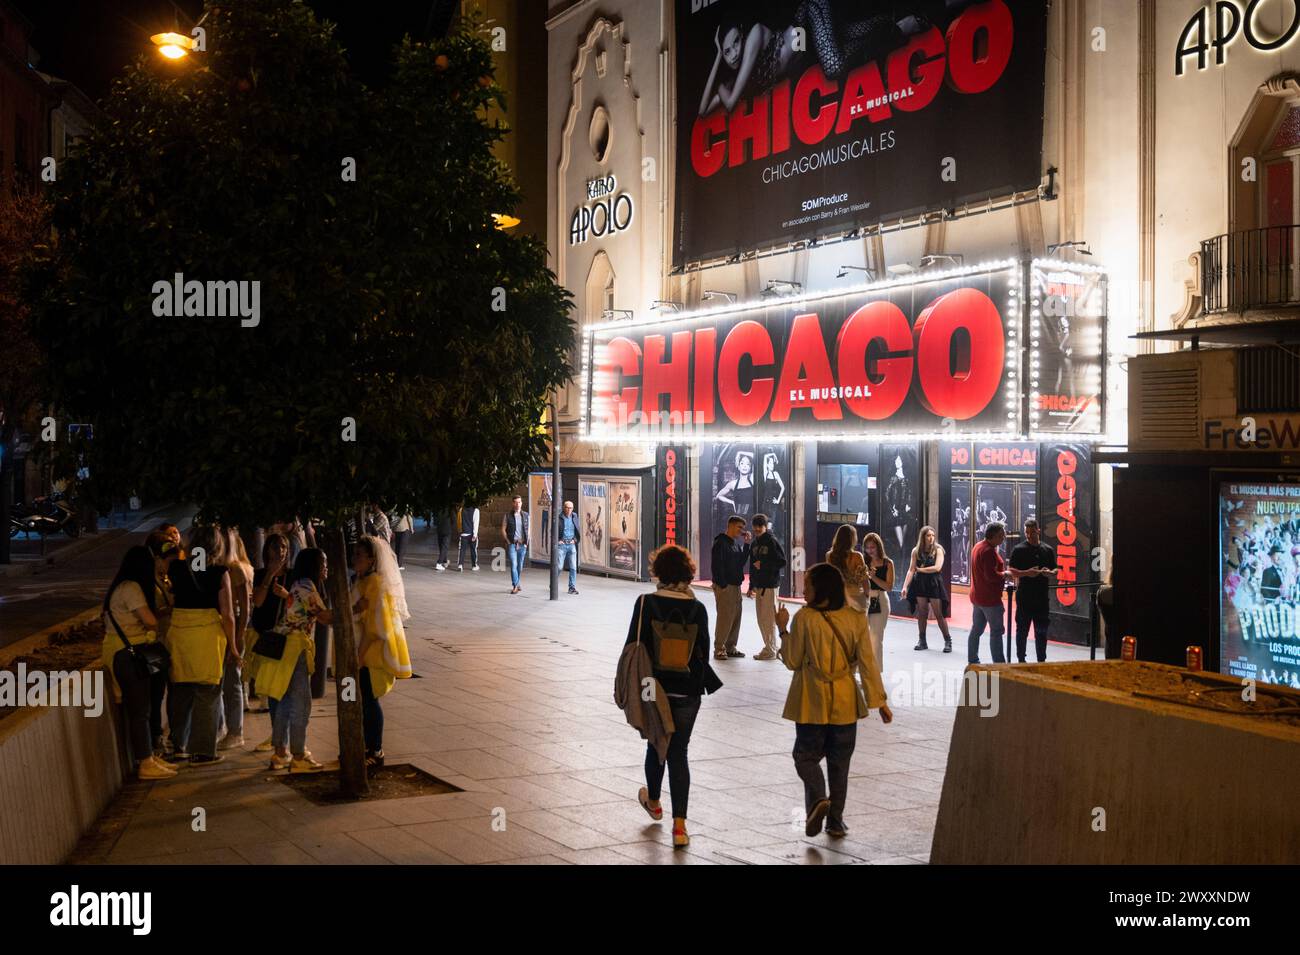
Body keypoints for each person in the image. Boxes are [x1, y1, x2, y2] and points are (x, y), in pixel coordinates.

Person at [777, 562, 891, 839]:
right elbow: (868, 662)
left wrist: (782, 629)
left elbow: (792, 661)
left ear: (820, 588)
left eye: (808, 585)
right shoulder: (855, 618)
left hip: (810, 700)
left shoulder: (804, 618)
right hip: (845, 700)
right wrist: (879, 702)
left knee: (804, 757)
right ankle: (836, 822)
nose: (804, 590)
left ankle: (817, 799)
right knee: (840, 766)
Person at [625, 544, 723, 849]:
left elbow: (633, 645)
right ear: (688, 573)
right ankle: (679, 828)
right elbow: (703, 653)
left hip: (655, 688)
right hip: (687, 690)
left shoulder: (645, 604)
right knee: (679, 753)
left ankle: (654, 802)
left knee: (657, 745)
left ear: (659, 572)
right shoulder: (698, 609)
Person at [260, 548, 349, 772]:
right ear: (314, 565)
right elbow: (325, 617)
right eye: (324, 563)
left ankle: (280, 753)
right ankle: (299, 756)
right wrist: (352, 609)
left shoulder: (299, 582)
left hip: (286, 648)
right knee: (301, 704)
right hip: (295, 650)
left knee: (285, 702)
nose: (326, 567)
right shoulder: (307, 586)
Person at [101, 546, 176, 780]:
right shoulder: (131, 588)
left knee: (140, 709)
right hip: (128, 655)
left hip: (124, 651)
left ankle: (149, 758)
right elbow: (150, 620)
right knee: (140, 711)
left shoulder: (121, 586)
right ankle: (145, 762)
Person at [165, 524, 236, 765]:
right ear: (217, 545)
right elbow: (227, 614)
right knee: (207, 692)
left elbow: (173, 598)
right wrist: (234, 646)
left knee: (180, 691)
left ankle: (179, 747)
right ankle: (203, 751)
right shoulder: (219, 572)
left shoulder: (176, 568)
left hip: (180, 633)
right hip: (207, 635)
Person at [351, 536, 413, 768]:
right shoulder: (359, 581)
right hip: (358, 653)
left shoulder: (375, 584)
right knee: (354, 698)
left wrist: (358, 657)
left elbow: (375, 627)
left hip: (369, 655)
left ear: (371, 559)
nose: (354, 558)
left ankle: (375, 750)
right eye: (354, 553)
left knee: (368, 699)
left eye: (359, 554)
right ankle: (360, 746)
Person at [248, 533, 292, 749]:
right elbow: (257, 602)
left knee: (281, 690)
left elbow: (303, 605)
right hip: (266, 637)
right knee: (270, 690)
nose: (280, 552)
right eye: (275, 548)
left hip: (287, 639)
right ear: (267, 552)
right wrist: (268, 577)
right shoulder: (260, 574)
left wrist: (286, 595)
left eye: (283, 547)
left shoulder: (293, 576)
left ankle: (282, 738)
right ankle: (278, 736)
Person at [216, 526, 253, 750]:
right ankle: (223, 727)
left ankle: (235, 730)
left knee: (232, 681)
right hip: (223, 628)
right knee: (221, 681)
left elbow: (244, 608)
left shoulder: (235, 570)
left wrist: (239, 636)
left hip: (234, 627)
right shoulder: (221, 569)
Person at [1009, 518, 1057, 663]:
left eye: (1032, 532)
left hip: (1042, 597)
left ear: (1038, 531)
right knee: (1022, 631)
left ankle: (1041, 660)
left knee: (1041, 632)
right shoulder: (1018, 550)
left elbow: (1055, 568)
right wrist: (1027, 573)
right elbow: (1011, 571)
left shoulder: (1047, 549)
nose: (1029, 535)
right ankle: (1021, 660)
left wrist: (1051, 573)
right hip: (1024, 597)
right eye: (1027, 532)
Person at [903, 525, 951, 652]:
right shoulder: (916, 551)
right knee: (922, 612)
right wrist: (904, 587)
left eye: (933, 535)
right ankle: (922, 640)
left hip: (934, 582)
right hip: (920, 583)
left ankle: (948, 641)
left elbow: (937, 568)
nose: (931, 538)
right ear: (923, 537)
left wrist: (920, 570)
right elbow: (911, 570)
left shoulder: (938, 549)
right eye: (928, 535)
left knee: (938, 613)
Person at [968, 522, 1010, 664]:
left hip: (978, 597)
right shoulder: (989, 551)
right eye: (1001, 536)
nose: (1003, 538)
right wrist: (1005, 574)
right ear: (994, 536)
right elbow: (991, 576)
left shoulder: (977, 546)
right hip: (989, 599)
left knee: (976, 629)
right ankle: (999, 663)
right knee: (996, 632)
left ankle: (972, 659)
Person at [748, 513, 787, 661]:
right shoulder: (754, 544)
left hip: (770, 585)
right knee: (761, 618)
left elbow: (782, 561)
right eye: (755, 526)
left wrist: (764, 565)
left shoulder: (771, 541)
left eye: (760, 526)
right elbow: (752, 567)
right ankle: (770, 646)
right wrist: (751, 585)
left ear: (765, 526)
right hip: (759, 585)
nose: (757, 529)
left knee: (768, 618)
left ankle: (770, 648)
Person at [711, 515, 751, 659]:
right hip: (725, 585)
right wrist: (722, 584)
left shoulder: (735, 544)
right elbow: (716, 565)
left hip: (736, 586)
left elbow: (740, 563)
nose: (741, 531)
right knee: (725, 618)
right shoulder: (720, 542)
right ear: (731, 526)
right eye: (739, 527)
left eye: (742, 528)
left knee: (735, 617)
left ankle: (730, 646)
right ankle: (719, 648)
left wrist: (746, 544)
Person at [862, 532, 894, 674]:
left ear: (878, 547)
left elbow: (888, 586)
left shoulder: (888, 563)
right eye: (867, 547)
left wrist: (873, 577)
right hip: (863, 598)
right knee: (861, 636)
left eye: (872, 547)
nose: (870, 550)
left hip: (880, 599)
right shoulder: (862, 561)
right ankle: (861, 670)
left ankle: (874, 672)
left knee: (876, 637)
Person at [825, 524, 867, 612]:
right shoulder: (857, 556)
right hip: (855, 595)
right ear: (852, 539)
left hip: (837, 595)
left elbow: (829, 577)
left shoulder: (830, 555)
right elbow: (864, 579)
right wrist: (867, 594)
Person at [502, 494, 529, 594]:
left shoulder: (526, 515)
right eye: (516, 502)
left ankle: (518, 583)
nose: (518, 504)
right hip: (512, 544)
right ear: (513, 503)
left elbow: (528, 530)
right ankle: (515, 586)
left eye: (519, 502)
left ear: (521, 503)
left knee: (520, 566)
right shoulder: (507, 515)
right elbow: (503, 529)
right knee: (513, 564)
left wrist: (527, 543)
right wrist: (508, 541)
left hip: (522, 544)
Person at [714, 450, 754, 517]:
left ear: (750, 468)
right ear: (738, 466)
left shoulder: (752, 480)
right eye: (742, 463)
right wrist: (732, 502)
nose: (744, 466)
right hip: (739, 518)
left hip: (752, 517)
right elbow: (718, 496)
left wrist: (740, 452)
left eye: (748, 464)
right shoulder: (733, 484)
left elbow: (753, 456)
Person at [556, 500, 581, 595]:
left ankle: (572, 587)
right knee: (559, 567)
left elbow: (577, 529)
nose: (569, 510)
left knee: (573, 567)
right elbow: (553, 531)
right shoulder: (559, 518)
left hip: (571, 544)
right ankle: (554, 583)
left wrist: (574, 540)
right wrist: (558, 540)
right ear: (563, 508)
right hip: (562, 545)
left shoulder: (575, 516)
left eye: (570, 508)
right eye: (567, 507)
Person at [456, 503, 480, 572]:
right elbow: (476, 523)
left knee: (462, 550)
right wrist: (475, 535)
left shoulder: (461, 509)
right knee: (473, 550)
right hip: (472, 534)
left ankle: (460, 565)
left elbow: (459, 522)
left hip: (464, 533)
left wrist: (460, 531)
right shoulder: (476, 510)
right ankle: (474, 566)